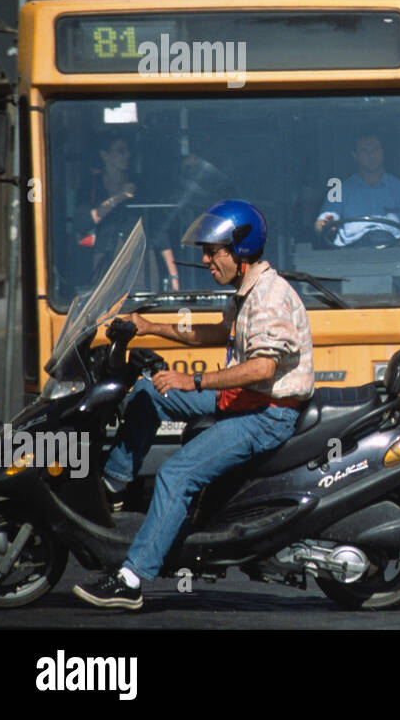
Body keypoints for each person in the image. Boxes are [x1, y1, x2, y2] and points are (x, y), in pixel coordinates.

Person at [74, 200, 314, 610]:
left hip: (267, 413)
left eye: (212, 251)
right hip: (240, 399)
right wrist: (151, 327)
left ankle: (131, 580)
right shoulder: (245, 291)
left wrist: (194, 379)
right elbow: (212, 334)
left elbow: (262, 367)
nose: (205, 261)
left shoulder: (270, 297)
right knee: (151, 393)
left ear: (240, 250)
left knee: (176, 474)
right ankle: (112, 486)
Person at [83, 134, 181, 290]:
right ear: (105, 155)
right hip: (105, 258)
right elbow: (83, 222)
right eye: (120, 151)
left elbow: (158, 228)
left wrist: (173, 275)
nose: (126, 155)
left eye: (127, 151)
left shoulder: (139, 184)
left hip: (141, 259)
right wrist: (119, 197)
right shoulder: (92, 185)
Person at [315, 132, 400, 247]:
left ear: (383, 152)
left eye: (376, 149)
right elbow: (321, 224)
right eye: (365, 151)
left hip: (393, 256)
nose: (371, 155)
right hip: (350, 256)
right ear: (355, 155)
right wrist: (327, 225)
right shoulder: (338, 189)